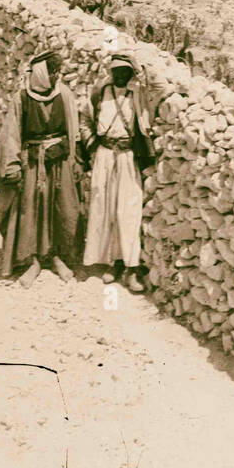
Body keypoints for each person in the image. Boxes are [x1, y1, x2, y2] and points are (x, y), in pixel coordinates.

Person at [0, 47, 82, 287]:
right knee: (30, 210)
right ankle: (32, 260)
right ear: (41, 73)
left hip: (59, 162)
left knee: (61, 207)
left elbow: (74, 131)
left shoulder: (65, 94)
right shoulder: (21, 98)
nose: (56, 77)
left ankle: (56, 257)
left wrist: (75, 161)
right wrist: (12, 167)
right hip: (32, 163)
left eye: (57, 72)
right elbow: (10, 135)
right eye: (52, 72)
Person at [80, 50, 169, 292]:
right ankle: (112, 262)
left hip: (129, 156)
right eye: (115, 71)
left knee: (127, 211)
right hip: (105, 155)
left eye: (124, 71)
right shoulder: (101, 92)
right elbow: (85, 118)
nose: (119, 75)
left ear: (130, 73)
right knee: (104, 208)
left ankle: (131, 268)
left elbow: (162, 87)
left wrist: (141, 68)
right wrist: (92, 146)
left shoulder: (139, 94)